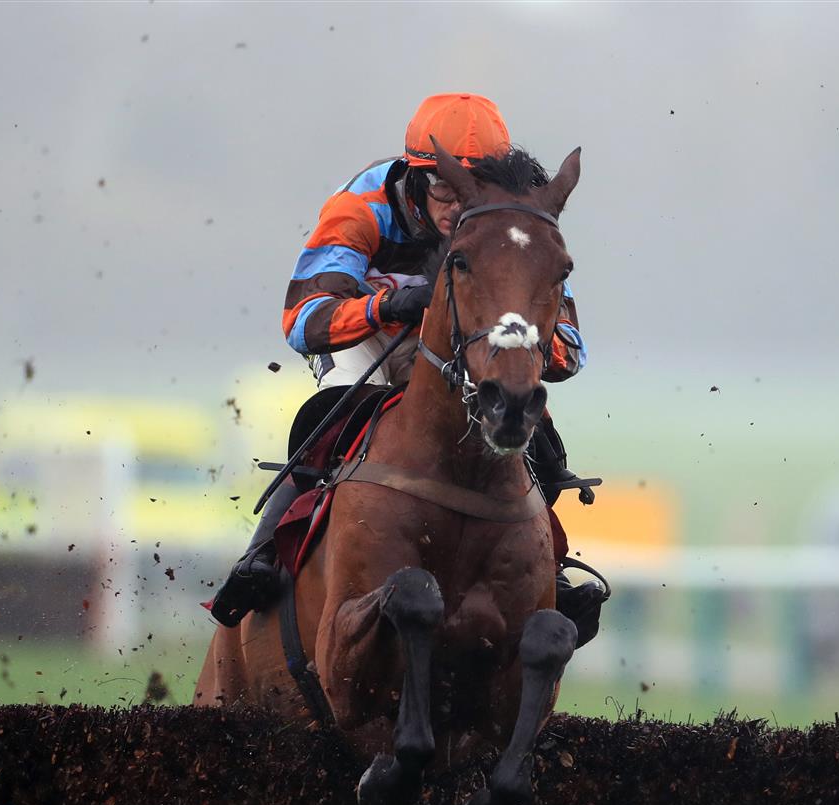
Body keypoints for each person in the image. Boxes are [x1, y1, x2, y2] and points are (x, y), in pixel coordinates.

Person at [209, 93, 606, 642]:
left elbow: (568, 349)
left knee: (532, 429)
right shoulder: (361, 206)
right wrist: (386, 306)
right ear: (413, 176)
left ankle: (549, 573)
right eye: (443, 186)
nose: (455, 204)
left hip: (461, 347)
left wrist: (526, 347)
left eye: (471, 187)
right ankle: (261, 556)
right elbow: (302, 321)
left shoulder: (507, 225)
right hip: (369, 339)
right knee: (335, 409)